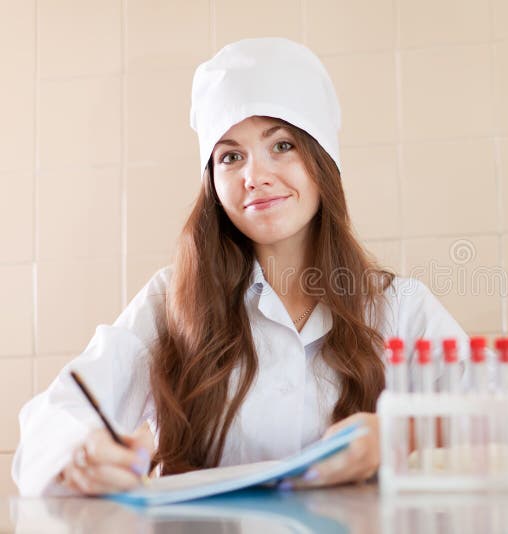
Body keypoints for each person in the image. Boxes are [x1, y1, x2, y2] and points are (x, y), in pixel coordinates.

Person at [12, 37, 468, 497]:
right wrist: (83, 453)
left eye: (282, 145)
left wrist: (400, 434)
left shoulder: (397, 306)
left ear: (323, 160)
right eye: (231, 156)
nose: (255, 175)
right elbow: (50, 426)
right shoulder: (172, 301)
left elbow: (498, 415)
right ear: (213, 181)